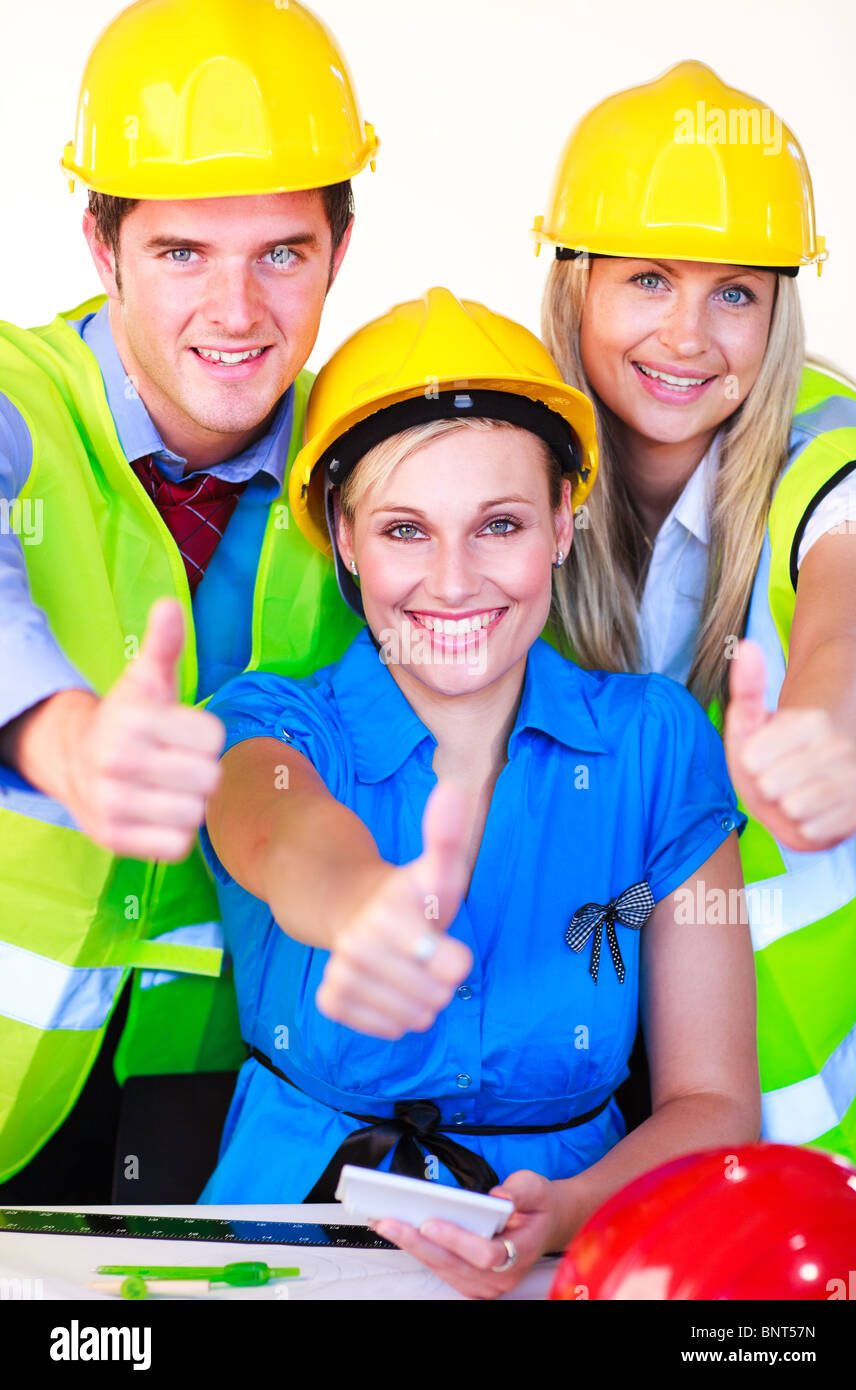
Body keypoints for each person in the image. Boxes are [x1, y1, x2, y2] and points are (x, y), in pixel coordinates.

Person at [198, 288, 760, 1298]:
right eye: (405, 531)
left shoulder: (652, 742)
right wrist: (357, 899)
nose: (452, 582)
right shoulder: (275, 724)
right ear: (343, 539)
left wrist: (569, 1206)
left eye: (496, 523)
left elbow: (712, 1100)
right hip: (282, 1254)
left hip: (570, 1252)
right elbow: (271, 821)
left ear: (559, 523)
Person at [0, 0, 376, 1199]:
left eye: (281, 253)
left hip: (215, 1116)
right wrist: (58, 735)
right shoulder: (18, 390)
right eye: (181, 254)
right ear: (101, 247)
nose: (235, 311)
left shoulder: (369, 458)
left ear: (340, 248)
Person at [534, 60, 856, 1169]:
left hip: (791, 1126)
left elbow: (847, 594)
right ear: (572, 280)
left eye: (734, 293)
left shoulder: (824, 452)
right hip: (561, 1095)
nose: (686, 336)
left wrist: (826, 725)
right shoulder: (508, 439)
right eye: (646, 280)